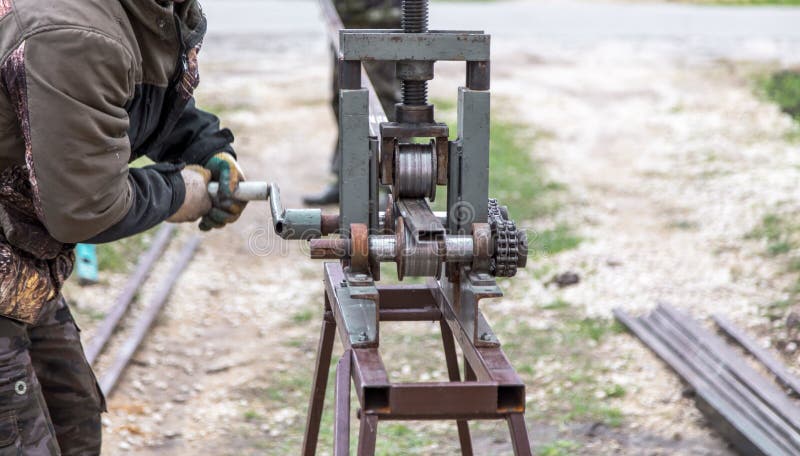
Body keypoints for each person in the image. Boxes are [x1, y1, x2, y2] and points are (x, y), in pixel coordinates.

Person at [0, 0, 247, 453]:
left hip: (18, 270)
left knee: (73, 421)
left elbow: (123, 90)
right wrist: (179, 192)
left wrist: (203, 144)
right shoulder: (70, 32)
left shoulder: (144, 11)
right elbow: (85, 206)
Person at [303, 0, 402, 206]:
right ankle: (346, 181)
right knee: (343, 101)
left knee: (382, 104)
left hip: (380, 19)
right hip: (344, 21)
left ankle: (391, 186)